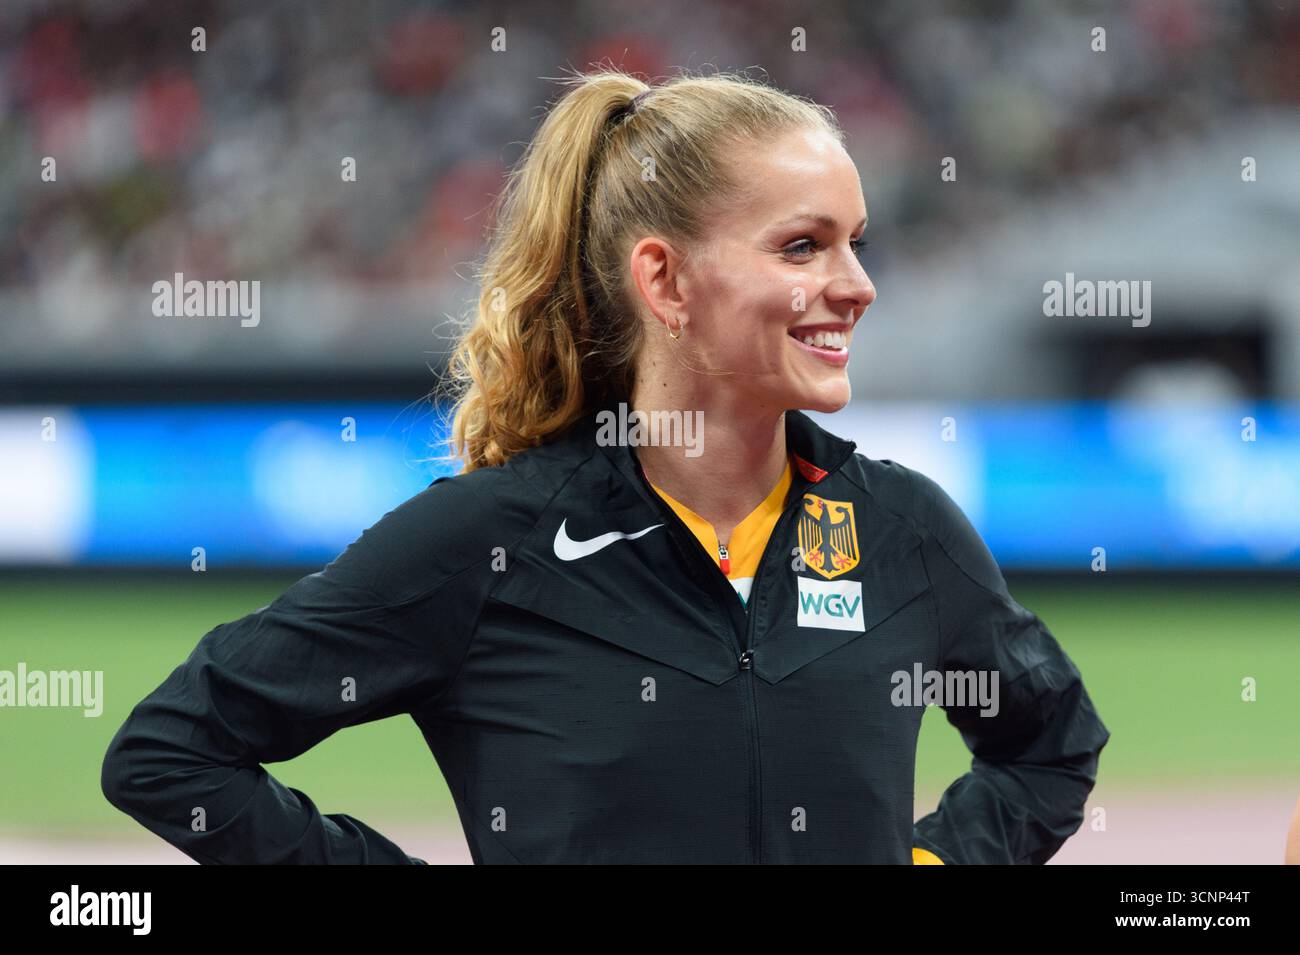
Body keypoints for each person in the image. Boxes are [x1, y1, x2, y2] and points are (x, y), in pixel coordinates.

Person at [101, 69, 1110, 864]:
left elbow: (1050, 741)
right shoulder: (487, 545)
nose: (855, 286)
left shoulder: (904, 530)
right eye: (803, 247)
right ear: (664, 278)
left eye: (854, 243)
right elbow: (172, 752)